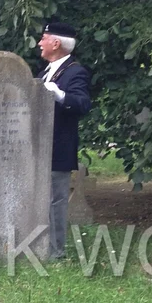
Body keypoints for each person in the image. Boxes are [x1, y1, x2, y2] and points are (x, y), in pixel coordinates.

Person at [37, 20, 92, 259]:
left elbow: (82, 104)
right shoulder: (44, 72)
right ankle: (36, 247)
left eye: (44, 38)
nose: (39, 43)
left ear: (56, 43)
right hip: (38, 148)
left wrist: (60, 95)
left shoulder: (75, 72)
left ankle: (55, 252)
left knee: (55, 202)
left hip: (58, 147)